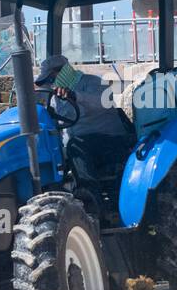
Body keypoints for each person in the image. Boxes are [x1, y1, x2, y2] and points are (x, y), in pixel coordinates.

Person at [34, 53, 134, 189]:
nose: (51, 84)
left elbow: (104, 102)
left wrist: (76, 96)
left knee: (76, 146)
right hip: (80, 143)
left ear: (63, 71)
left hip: (111, 141)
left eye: (51, 79)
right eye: (48, 82)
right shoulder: (55, 97)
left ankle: (89, 193)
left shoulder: (92, 82)